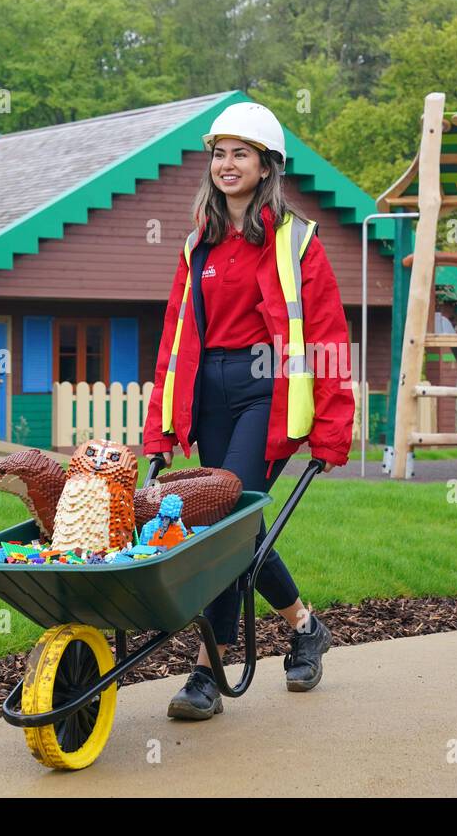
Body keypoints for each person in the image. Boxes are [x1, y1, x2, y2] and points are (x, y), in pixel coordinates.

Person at [141, 100, 355, 720]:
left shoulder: (297, 241)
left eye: (241, 154)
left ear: (267, 166)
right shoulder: (197, 247)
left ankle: (207, 671)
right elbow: (174, 341)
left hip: (269, 387)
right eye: (218, 154)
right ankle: (304, 624)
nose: (227, 164)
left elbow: (327, 335)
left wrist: (333, 429)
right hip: (210, 391)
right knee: (232, 522)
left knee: (226, 517)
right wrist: (161, 427)